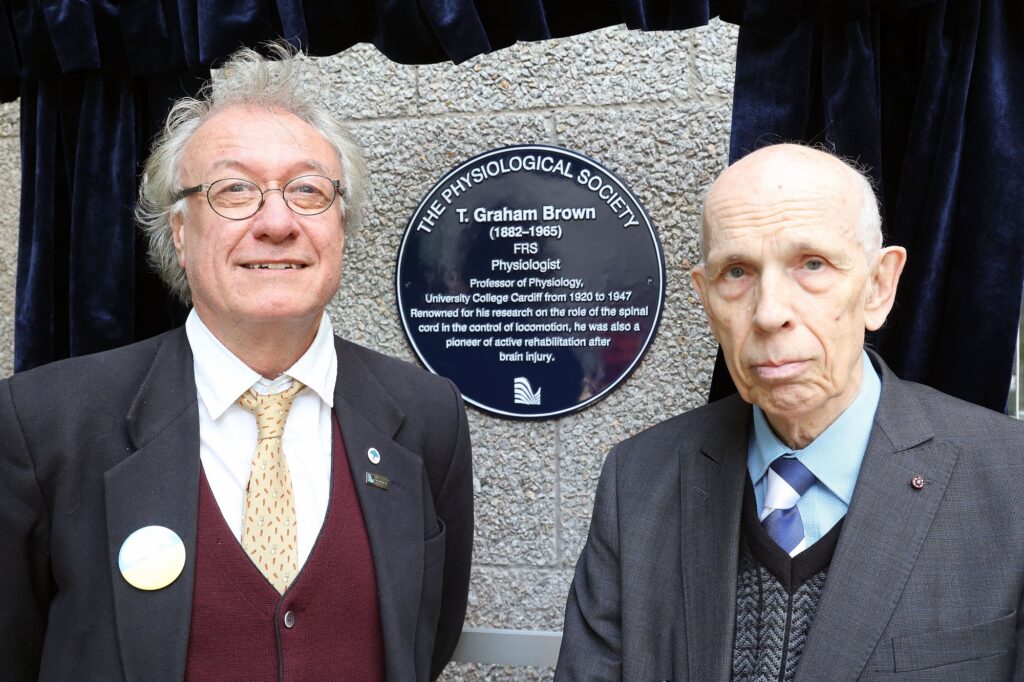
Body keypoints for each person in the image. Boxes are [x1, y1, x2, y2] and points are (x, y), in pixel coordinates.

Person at [0, 45, 472, 682]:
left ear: (340, 224)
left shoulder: (425, 413)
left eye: (308, 190)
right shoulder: (45, 423)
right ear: (180, 231)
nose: (276, 222)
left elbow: (425, 636)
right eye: (234, 190)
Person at [556, 143, 1024, 680]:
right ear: (707, 301)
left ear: (879, 286)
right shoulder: (637, 480)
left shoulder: (1012, 480)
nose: (770, 312)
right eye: (737, 272)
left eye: (812, 264)